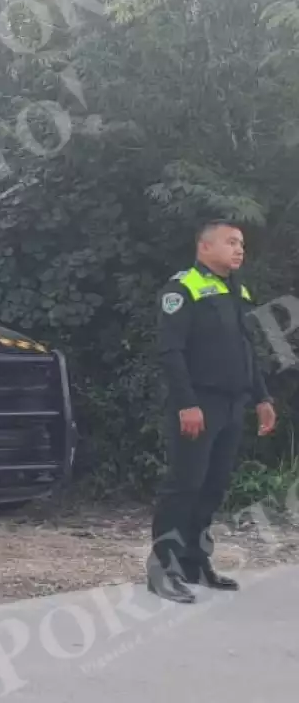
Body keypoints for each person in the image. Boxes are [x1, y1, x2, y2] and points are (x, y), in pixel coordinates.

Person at [148, 220, 277, 603]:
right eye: (231, 242)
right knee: (184, 485)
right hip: (198, 405)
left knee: (213, 486)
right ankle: (163, 567)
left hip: (233, 404)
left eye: (242, 244)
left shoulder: (236, 289)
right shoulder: (182, 288)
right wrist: (187, 402)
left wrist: (263, 397)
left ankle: (194, 561)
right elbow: (171, 352)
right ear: (205, 248)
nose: (240, 249)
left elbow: (246, 350)